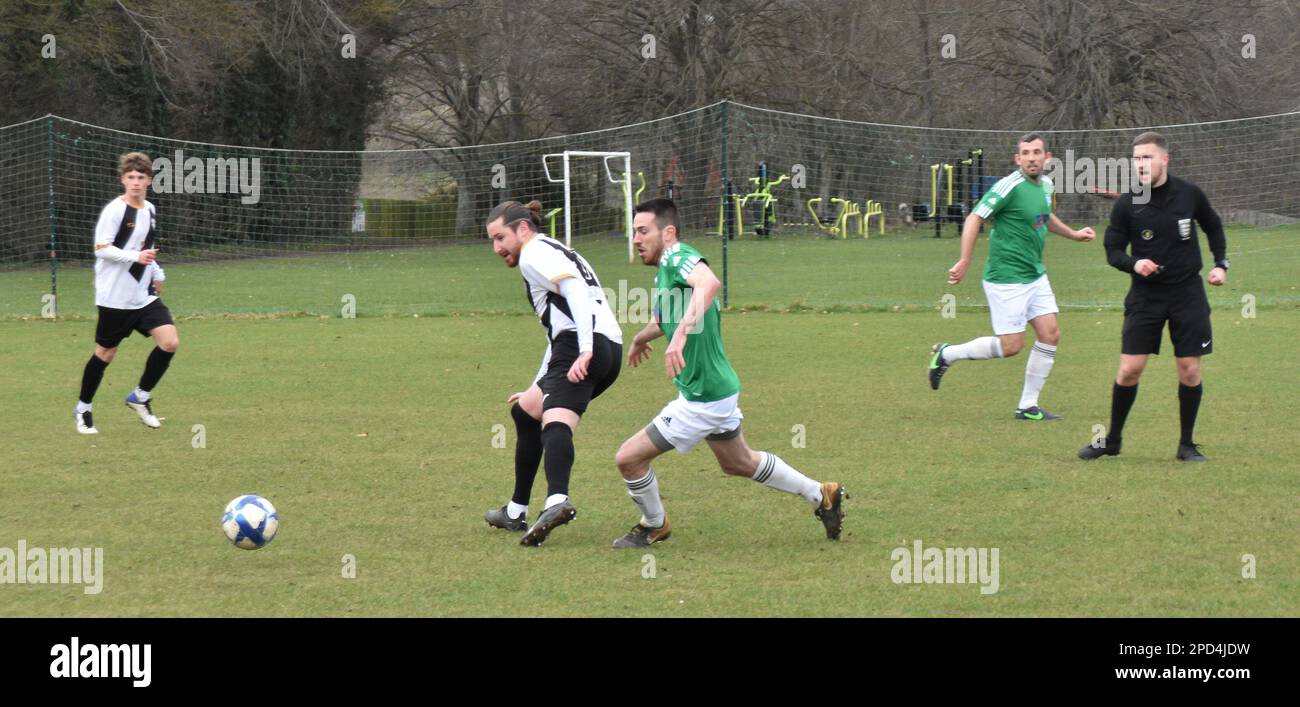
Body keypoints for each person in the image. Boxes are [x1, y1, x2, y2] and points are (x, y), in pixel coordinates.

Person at [609, 198, 845, 548]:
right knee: (738, 462)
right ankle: (820, 494)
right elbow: (666, 317)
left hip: (702, 398)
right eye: (634, 232)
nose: (636, 240)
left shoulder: (676, 256)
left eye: (643, 231)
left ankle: (654, 525)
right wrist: (641, 338)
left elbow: (709, 284)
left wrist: (682, 334)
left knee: (628, 458)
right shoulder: (667, 272)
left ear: (668, 233)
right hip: (718, 389)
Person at [1078, 131, 1228, 462]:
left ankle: (1186, 445)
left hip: (1187, 293)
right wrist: (1135, 263)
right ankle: (1112, 441)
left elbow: (1214, 226)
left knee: (1189, 370)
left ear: (1164, 159)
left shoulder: (1189, 194)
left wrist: (1221, 264)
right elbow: (1113, 250)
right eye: (1136, 159)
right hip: (1145, 296)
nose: (1141, 164)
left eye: (1147, 157)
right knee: (1129, 370)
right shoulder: (1128, 203)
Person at [483, 200, 624, 546]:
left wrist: (585, 349)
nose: (497, 248)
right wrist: (538, 383)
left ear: (523, 228)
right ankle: (515, 511)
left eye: (500, 238)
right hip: (607, 345)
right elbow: (558, 327)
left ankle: (557, 501)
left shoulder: (533, 254)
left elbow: (574, 289)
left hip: (581, 345)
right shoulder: (555, 248)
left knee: (556, 421)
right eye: (492, 240)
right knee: (526, 411)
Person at [929, 132, 1096, 420]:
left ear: (1047, 158)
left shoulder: (1046, 185)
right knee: (1011, 347)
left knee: (1050, 334)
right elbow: (975, 217)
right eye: (1026, 153)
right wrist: (965, 260)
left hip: (1035, 275)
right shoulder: (1009, 186)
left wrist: (1073, 234)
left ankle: (1028, 406)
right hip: (1006, 278)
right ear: (1018, 159)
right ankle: (947, 354)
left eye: (1037, 152)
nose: (1032, 158)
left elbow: (1043, 216)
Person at [74, 152, 178, 435]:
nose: (135, 182)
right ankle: (83, 408)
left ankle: (140, 397)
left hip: (142, 295)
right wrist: (135, 257)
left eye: (140, 177)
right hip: (115, 298)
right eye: (130, 177)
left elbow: (147, 248)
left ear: (149, 181)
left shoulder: (150, 209)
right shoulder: (115, 210)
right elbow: (101, 249)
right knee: (106, 353)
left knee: (169, 342)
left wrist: (157, 272)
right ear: (123, 180)